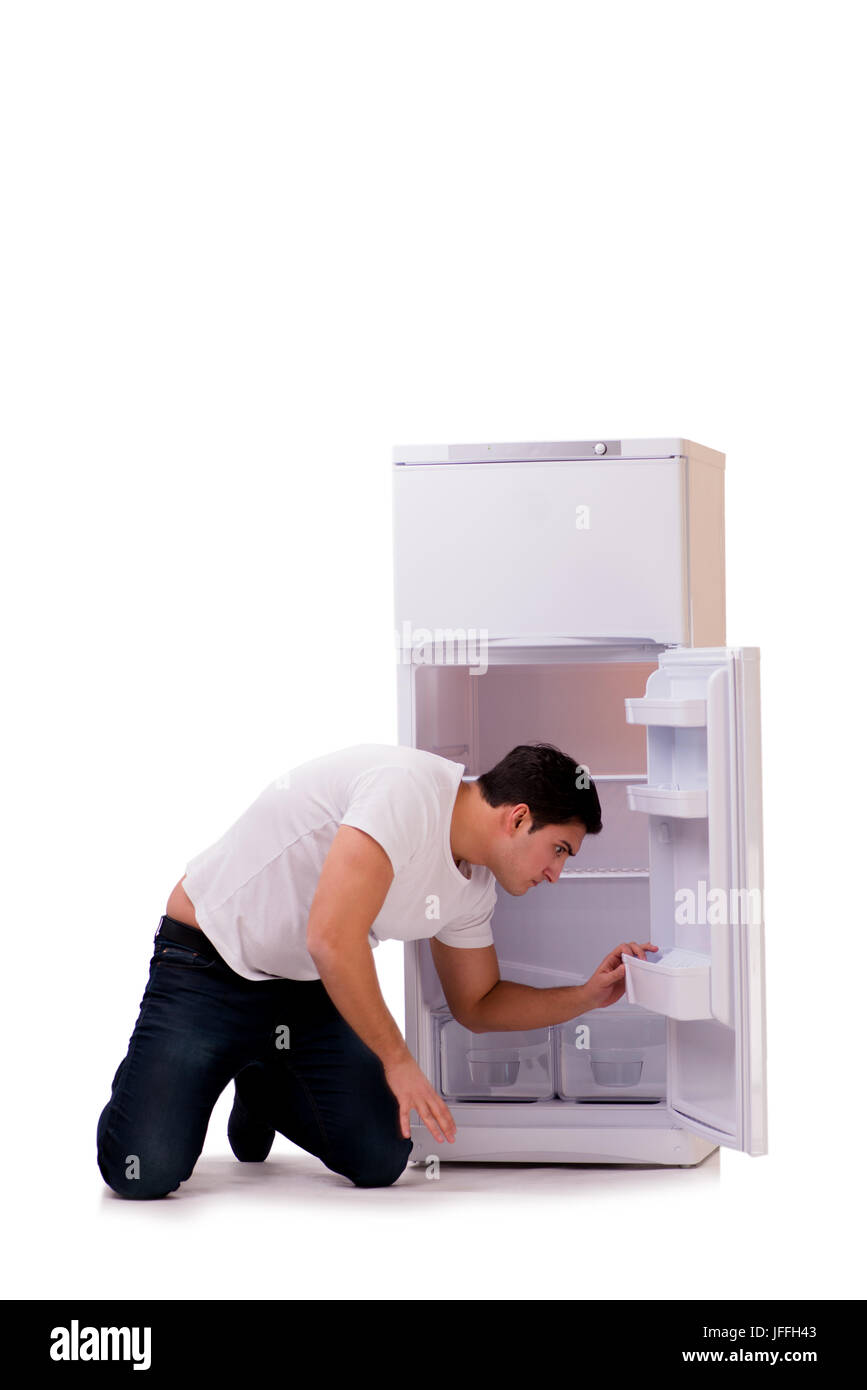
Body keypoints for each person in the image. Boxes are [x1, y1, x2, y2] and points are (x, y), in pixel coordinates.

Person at [96, 741, 656, 1197]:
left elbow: (477, 1004)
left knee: (381, 1156)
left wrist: (585, 996)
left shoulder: (474, 887)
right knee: (143, 1169)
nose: (556, 873)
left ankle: (262, 1077)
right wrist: (398, 1060)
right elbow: (331, 938)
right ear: (519, 817)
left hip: (307, 991)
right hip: (208, 962)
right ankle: (177, 1074)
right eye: (559, 849)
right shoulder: (406, 791)